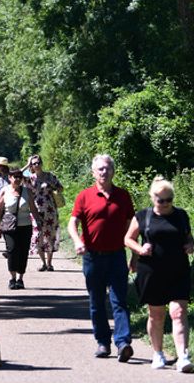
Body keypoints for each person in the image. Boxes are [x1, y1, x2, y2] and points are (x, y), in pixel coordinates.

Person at [124, 178, 194, 373]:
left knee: (179, 312)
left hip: (178, 270)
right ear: (152, 197)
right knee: (156, 315)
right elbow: (128, 239)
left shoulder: (181, 215)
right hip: (152, 272)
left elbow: (188, 236)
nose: (165, 204)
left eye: (169, 199)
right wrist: (140, 249)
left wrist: (190, 245)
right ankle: (158, 353)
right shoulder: (143, 216)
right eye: (161, 200)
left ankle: (183, 356)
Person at [68, 153, 136, 361]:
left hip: (116, 256)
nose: (104, 172)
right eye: (100, 169)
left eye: (107, 168)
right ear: (93, 173)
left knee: (119, 301)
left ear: (113, 171)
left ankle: (123, 342)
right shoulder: (84, 196)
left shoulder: (123, 196)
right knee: (96, 301)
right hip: (93, 257)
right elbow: (72, 223)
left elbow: (131, 227)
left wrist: (135, 254)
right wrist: (78, 242)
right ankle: (103, 342)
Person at [23, 154, 65, 272]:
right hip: (36, 210)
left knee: (49, 236)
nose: (36, 165)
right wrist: (27, 164)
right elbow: (16, 175)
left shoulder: (49, 176)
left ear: (41, 163)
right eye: (34, 163)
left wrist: (52, 186)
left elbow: (61, 188)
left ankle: (49, 263)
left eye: (38, 162)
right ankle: (43, 263)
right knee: (37, 237)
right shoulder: (30, 178)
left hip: (50, 210)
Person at [0, 171, 34, 289]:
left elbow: (33, 209)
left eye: (19, 177)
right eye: (15, 177)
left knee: (23, 251)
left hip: (25, 226)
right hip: (9, 226)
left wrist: (39, 222)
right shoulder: (5, 191)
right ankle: (12, 278)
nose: (17, 179)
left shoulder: (27, 192)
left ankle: (20, 278)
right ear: (10, 178)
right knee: (12, 250)